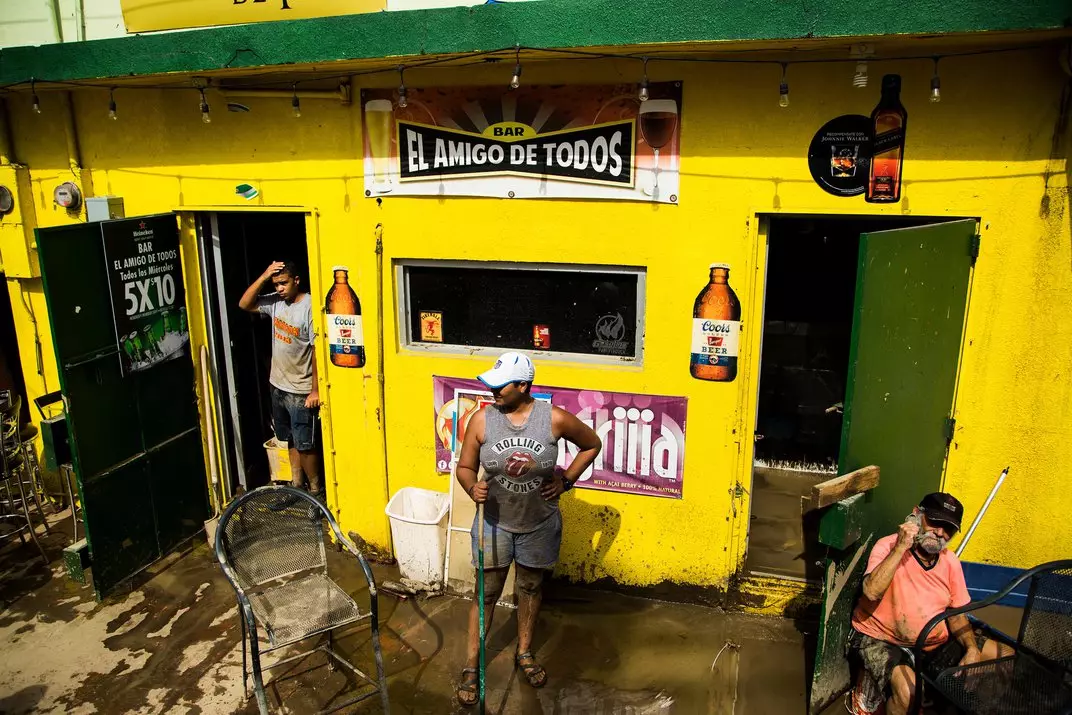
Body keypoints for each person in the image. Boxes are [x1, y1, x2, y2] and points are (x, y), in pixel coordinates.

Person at [453, 352, 602, 707]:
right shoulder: (481, 421)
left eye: (499, 386)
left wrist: (566, 481)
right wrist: (471, 487)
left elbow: (591, 444)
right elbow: (464, 468)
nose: (492, 392)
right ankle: (472, 666)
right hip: (494, 523)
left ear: (522, 386)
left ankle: (524, 652)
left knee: (530, 587)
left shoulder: (553, 419)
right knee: (486, 594)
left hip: (539, 524)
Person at [847, 492, 1009, 715]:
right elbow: (871, 592)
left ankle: (968, 705)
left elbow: (956, 613)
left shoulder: (950, 562)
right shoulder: (888, 547)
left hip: (932, 641)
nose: (940, 533)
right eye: (935, 522)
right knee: (910, 694)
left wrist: (971, 649)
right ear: (916, 515)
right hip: (883, 638)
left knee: (1005, 656)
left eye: (949, 528)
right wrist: (900, 548)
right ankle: (875, 689)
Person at [239, 261, 321, 502]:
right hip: (278, 385)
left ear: (297, 280)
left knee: (306, 443)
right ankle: (296, 488)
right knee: (289, 441)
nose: (280, 288)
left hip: (301, 388)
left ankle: (316, 493)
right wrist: (265, 276)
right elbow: (245, 304)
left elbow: (317, 350)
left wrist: (315, 389)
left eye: (284, 283)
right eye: (277, 284)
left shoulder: (310, 307)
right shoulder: (275, 301)